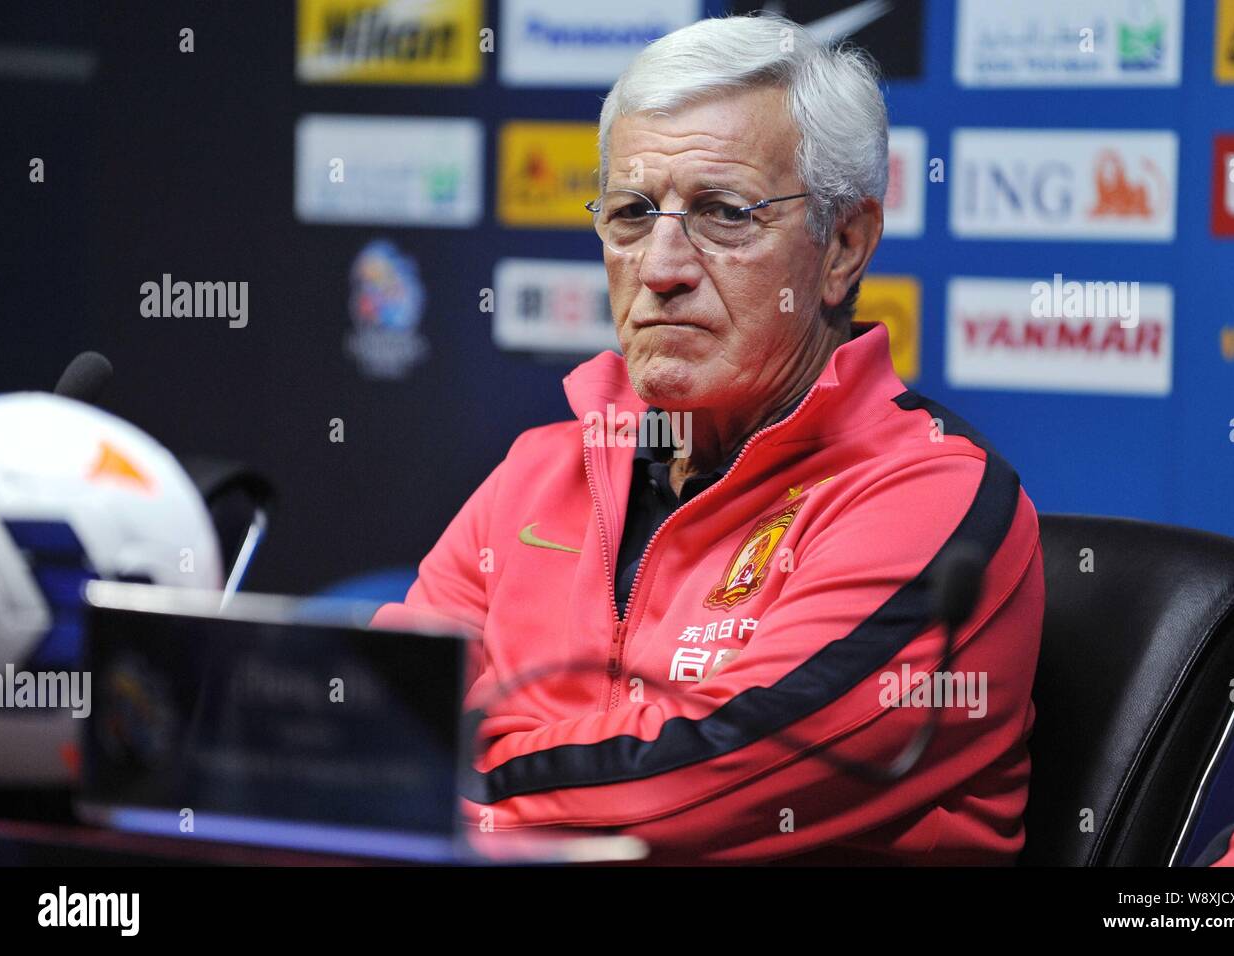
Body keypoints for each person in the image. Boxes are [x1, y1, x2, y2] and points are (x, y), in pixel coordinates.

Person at [373, 13, 1044, 864]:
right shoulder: (536, 474)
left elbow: (694, 784)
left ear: (843, 246)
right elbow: (379, 725)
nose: (661, 267)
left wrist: (446, 780)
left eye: (724, 213)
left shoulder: (931, 498)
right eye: (631, 212)